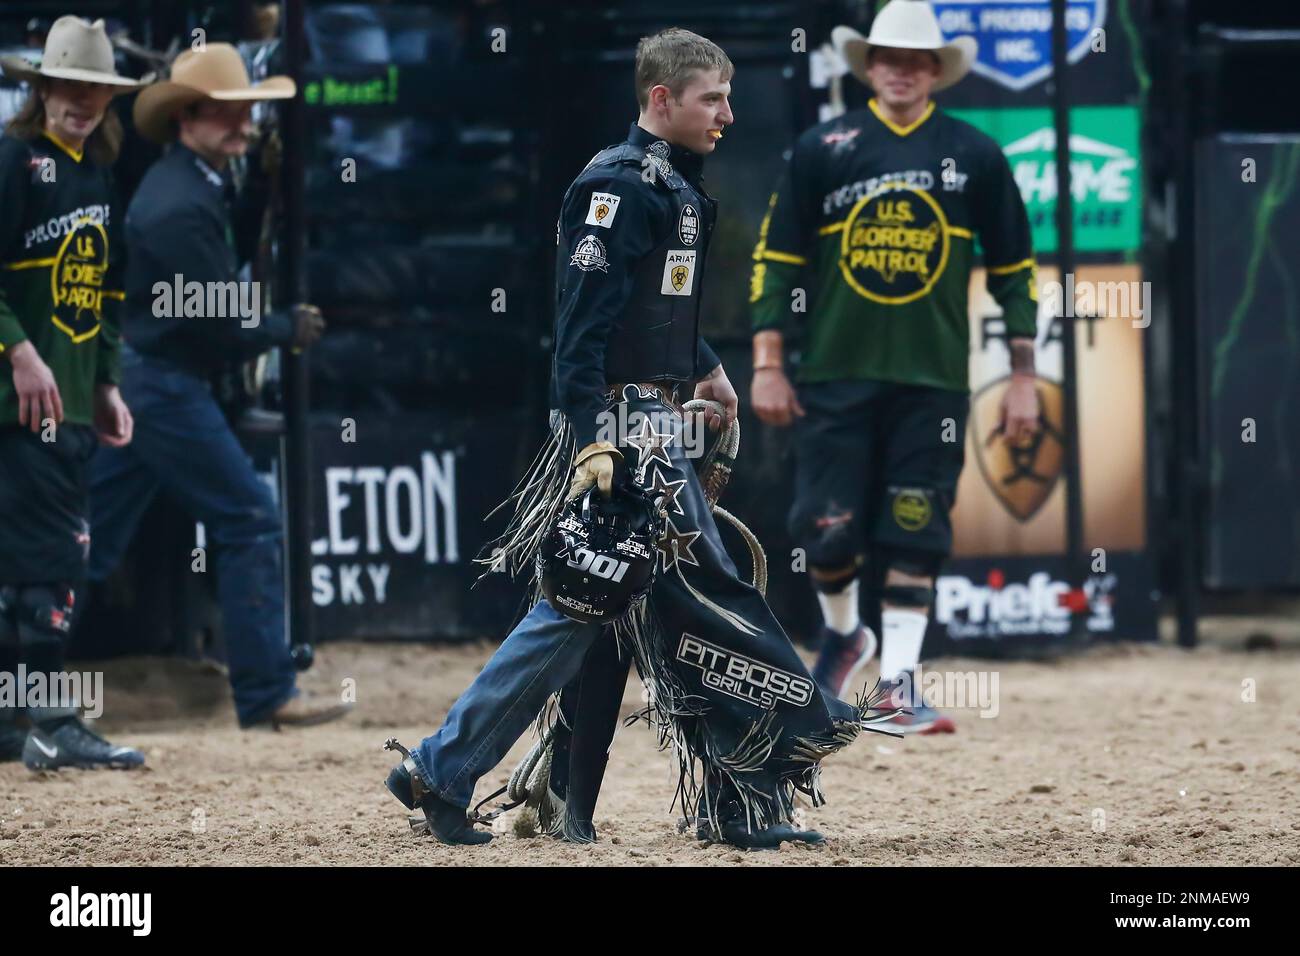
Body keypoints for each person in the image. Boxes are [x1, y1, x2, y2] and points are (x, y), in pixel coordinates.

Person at [383, 27, 899, 850]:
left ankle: (448, 771)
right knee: (702, 600)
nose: (729, 112)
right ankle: (761, 769)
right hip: (626, 433)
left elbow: (650, 306)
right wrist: (594, 443)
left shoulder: (673, 188)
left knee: (591, 613)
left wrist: (706, 367)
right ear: (662, 101)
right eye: (712, 98)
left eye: (729, 96)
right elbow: (580, 332)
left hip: (653, 417)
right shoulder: (617, 190)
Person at [749, 0, 1040, 732]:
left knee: (916, 529)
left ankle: (898, 688)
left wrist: (1025, 379)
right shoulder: (825, 146)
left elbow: (1016, 271)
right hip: (834, 372)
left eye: (915, 60)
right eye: (888, 58)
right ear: (868, 66)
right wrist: (767, 362)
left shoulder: (976, 154)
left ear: (936, 71)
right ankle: (847, 634)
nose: (901, 71)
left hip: (932, 379)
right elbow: (776, 260)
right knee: (827, 529)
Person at [85, 43, 348, 730]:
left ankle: (19, 685)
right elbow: (218, 320)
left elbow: (217, 278)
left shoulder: (195, 183)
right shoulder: (179, 202)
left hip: (150, 380)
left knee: (86, 542)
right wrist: (283, 326)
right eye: (224, 114)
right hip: (165, 385)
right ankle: (265, 694)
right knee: (248, 518)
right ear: (187, 119)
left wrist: (259, 190)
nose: (240, 124)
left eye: (243, 112)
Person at [0, 16, 145, 769]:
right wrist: (19, 350)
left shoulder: (96, 176)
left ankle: (12, 724)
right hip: (19, 404)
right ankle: (54, 721)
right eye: (69, 85)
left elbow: (107, 293)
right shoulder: (13, 161)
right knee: (51, 562)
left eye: (96, 89)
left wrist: (109, 380)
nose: (83, 100)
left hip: (71, 405)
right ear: (42, 88)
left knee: (29, 563)